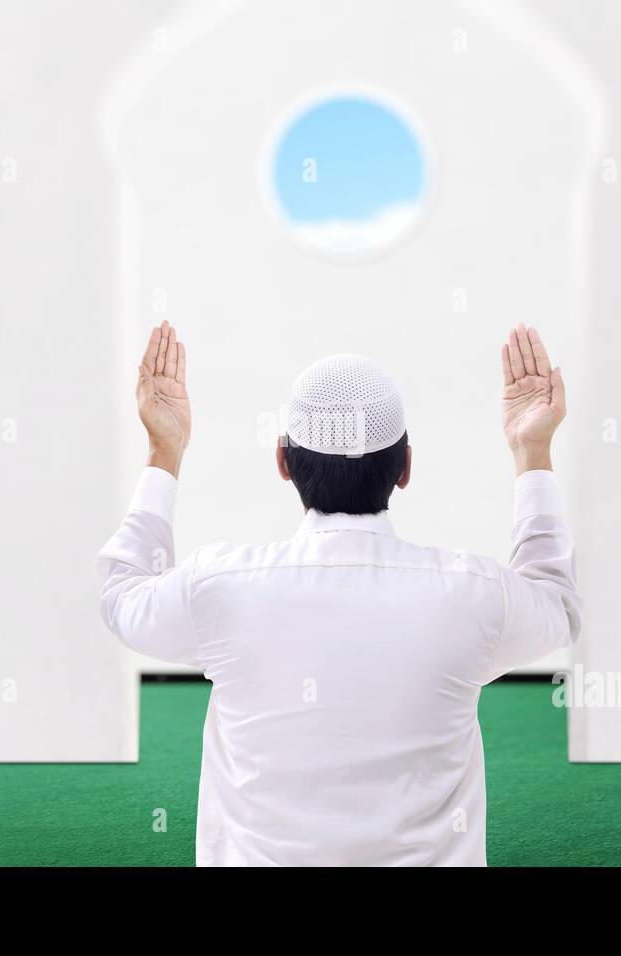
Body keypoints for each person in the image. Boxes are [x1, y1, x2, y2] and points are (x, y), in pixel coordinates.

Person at [96, 320, 582, 866]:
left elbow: (122, 597)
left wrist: (165, 450)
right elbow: (556, 604)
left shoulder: (221, 587)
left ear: (283, 462)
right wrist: (531, 451)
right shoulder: (472, 594)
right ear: (405, 467)